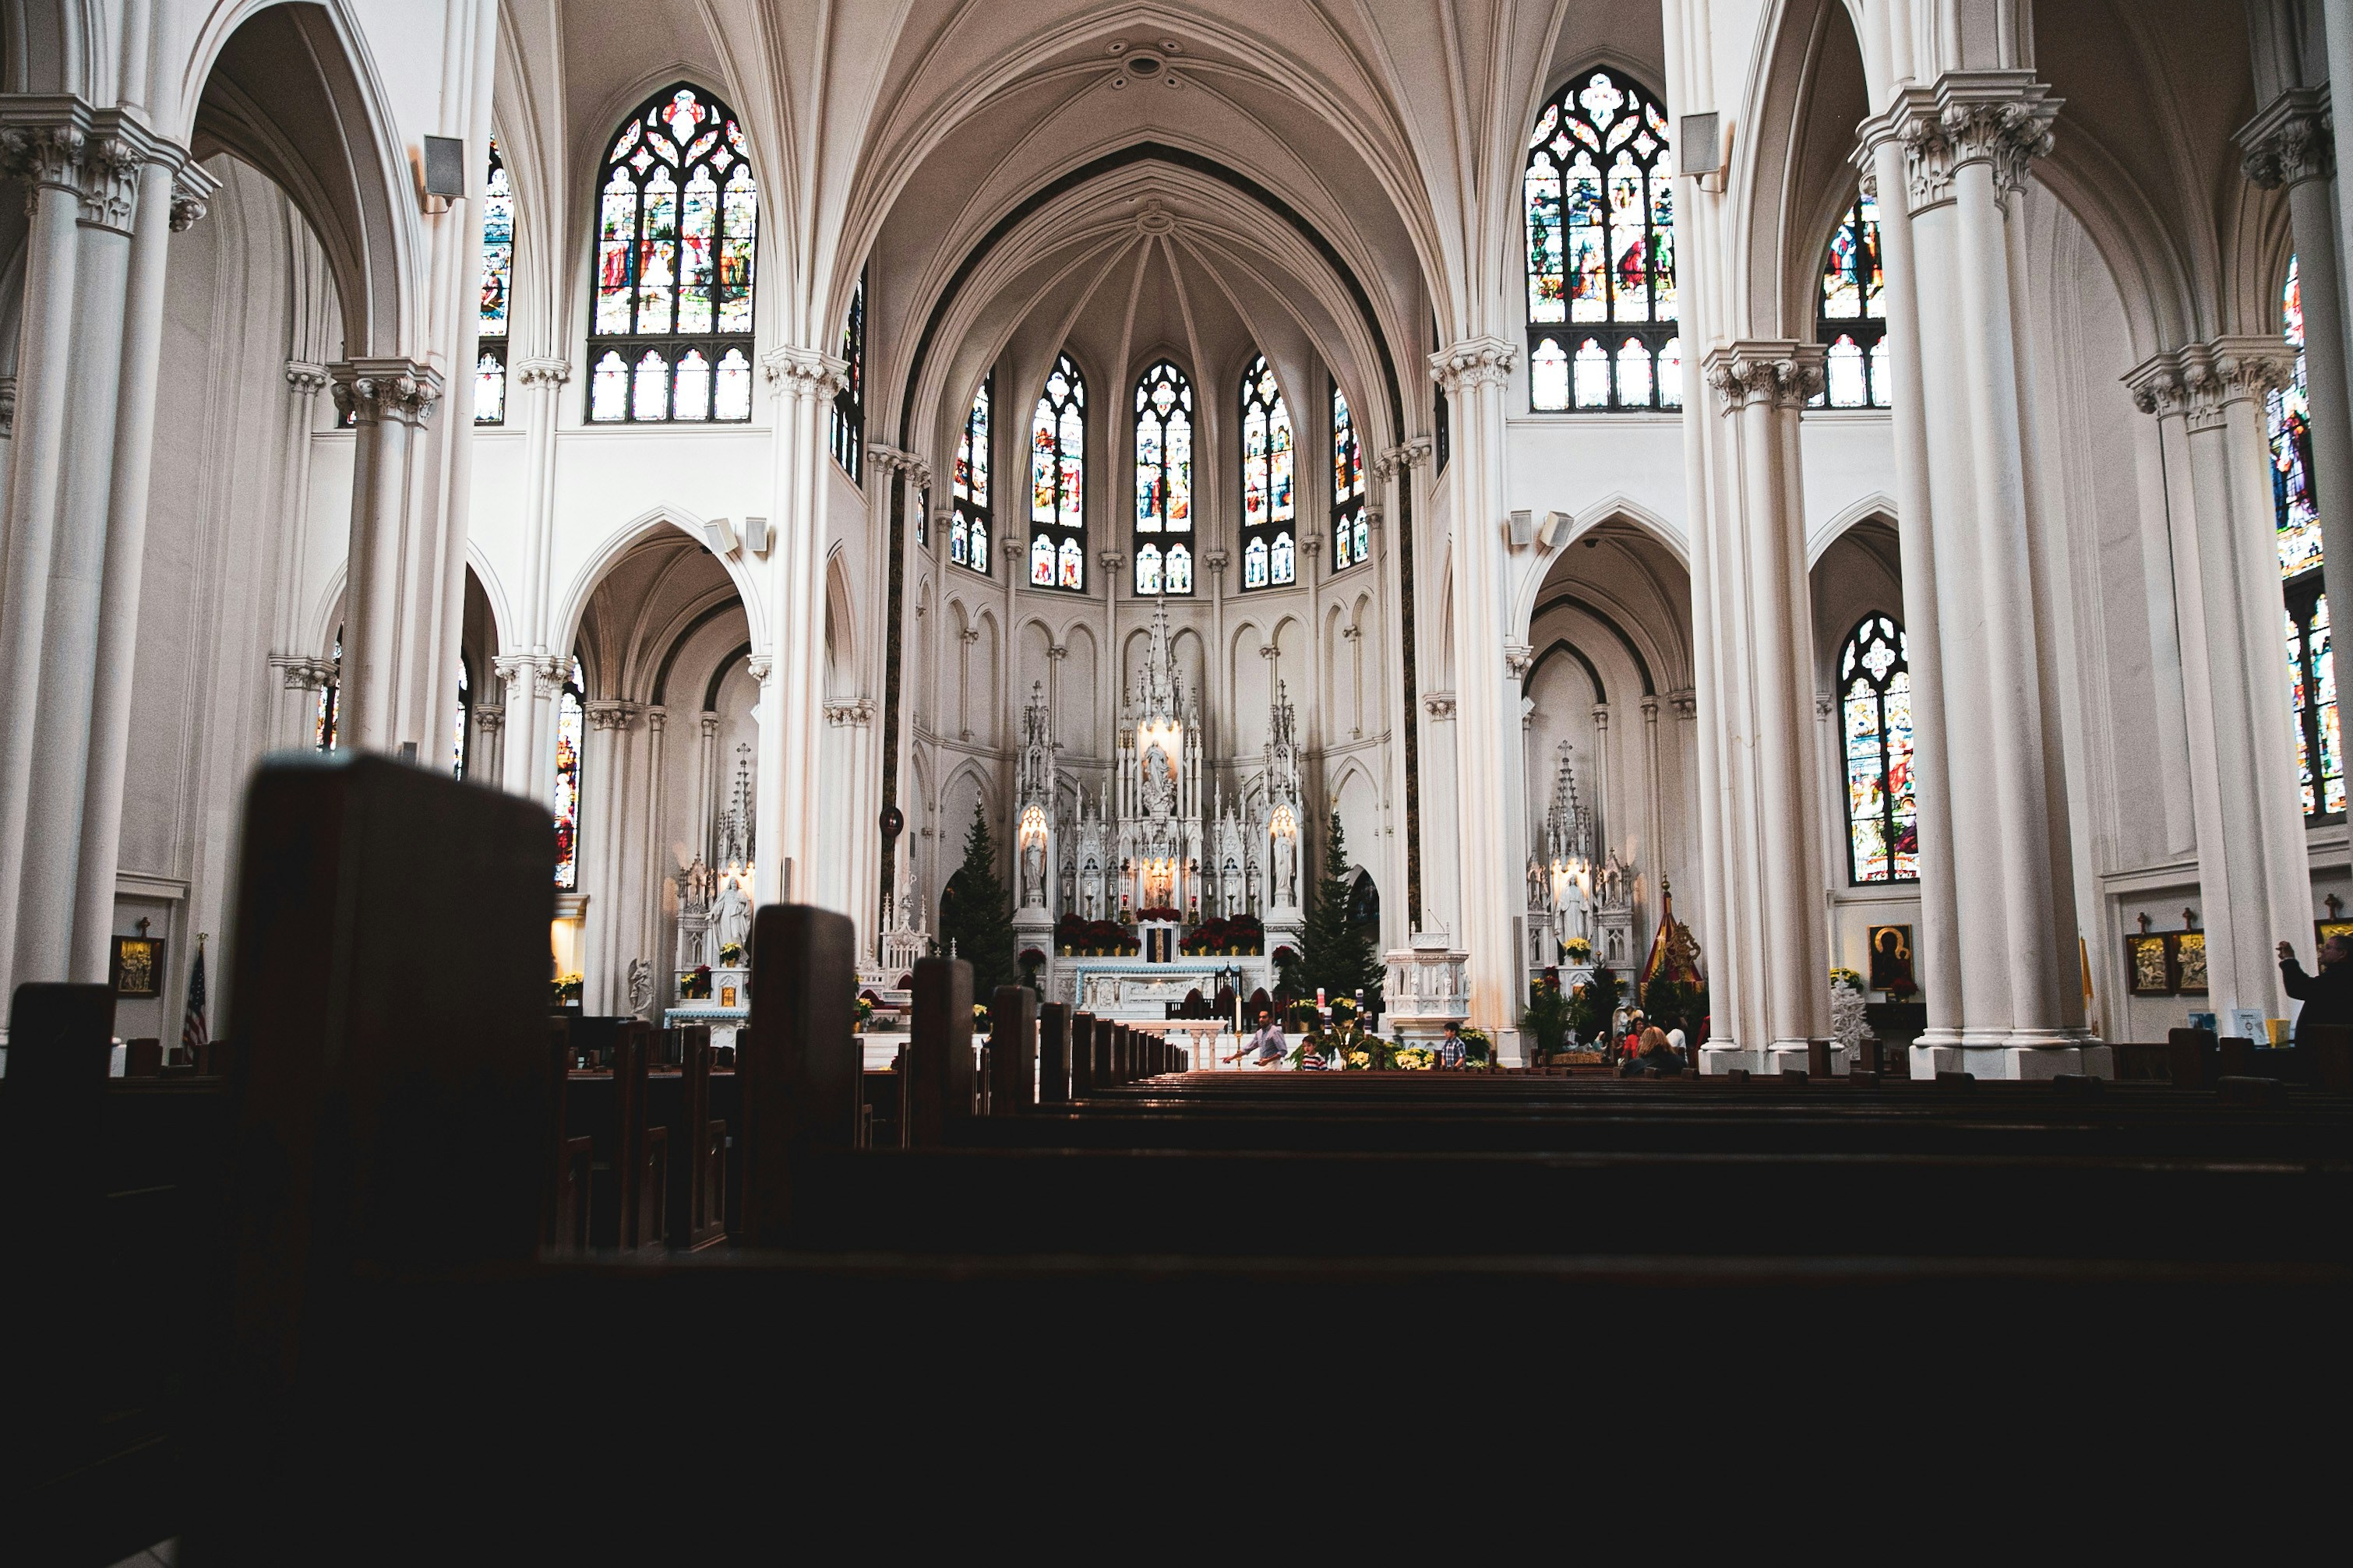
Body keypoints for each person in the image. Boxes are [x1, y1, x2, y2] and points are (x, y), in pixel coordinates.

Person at [2278, 936, 2353, 1045]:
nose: (2322, 950)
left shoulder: (2340, 978)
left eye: (2328, 948)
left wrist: (2289, 960)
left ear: (2342, 954)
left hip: (2328, 1050)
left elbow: (2299, 988)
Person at [1222, 1010, 1286, 1069]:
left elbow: (1283, 1051)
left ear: (1270, 1019)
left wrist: (1268, 1060)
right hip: (1262, 1063)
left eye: (1264, 1017)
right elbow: (1248, 1048)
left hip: (1273, 1064)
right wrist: (1232, 1057)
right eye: (1260, 1017)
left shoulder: (1275, 1031)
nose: (1261, 1019)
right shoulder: (1259, 1033)